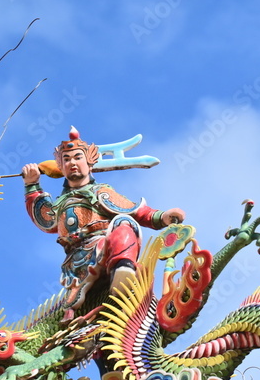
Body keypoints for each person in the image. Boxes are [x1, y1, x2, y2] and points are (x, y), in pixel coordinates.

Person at [22, 127, 186, 317]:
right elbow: (45, 220)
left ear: (89, 162)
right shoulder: (61, 204)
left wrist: (163, 216)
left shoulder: (102, 192)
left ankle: (122, 272)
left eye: (77, 158)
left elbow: (136, 211)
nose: (72, 163)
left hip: (107, 247)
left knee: (124, 223)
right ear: (60, 167)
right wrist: (32, 185)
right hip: (77, 260)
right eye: (66, 160)